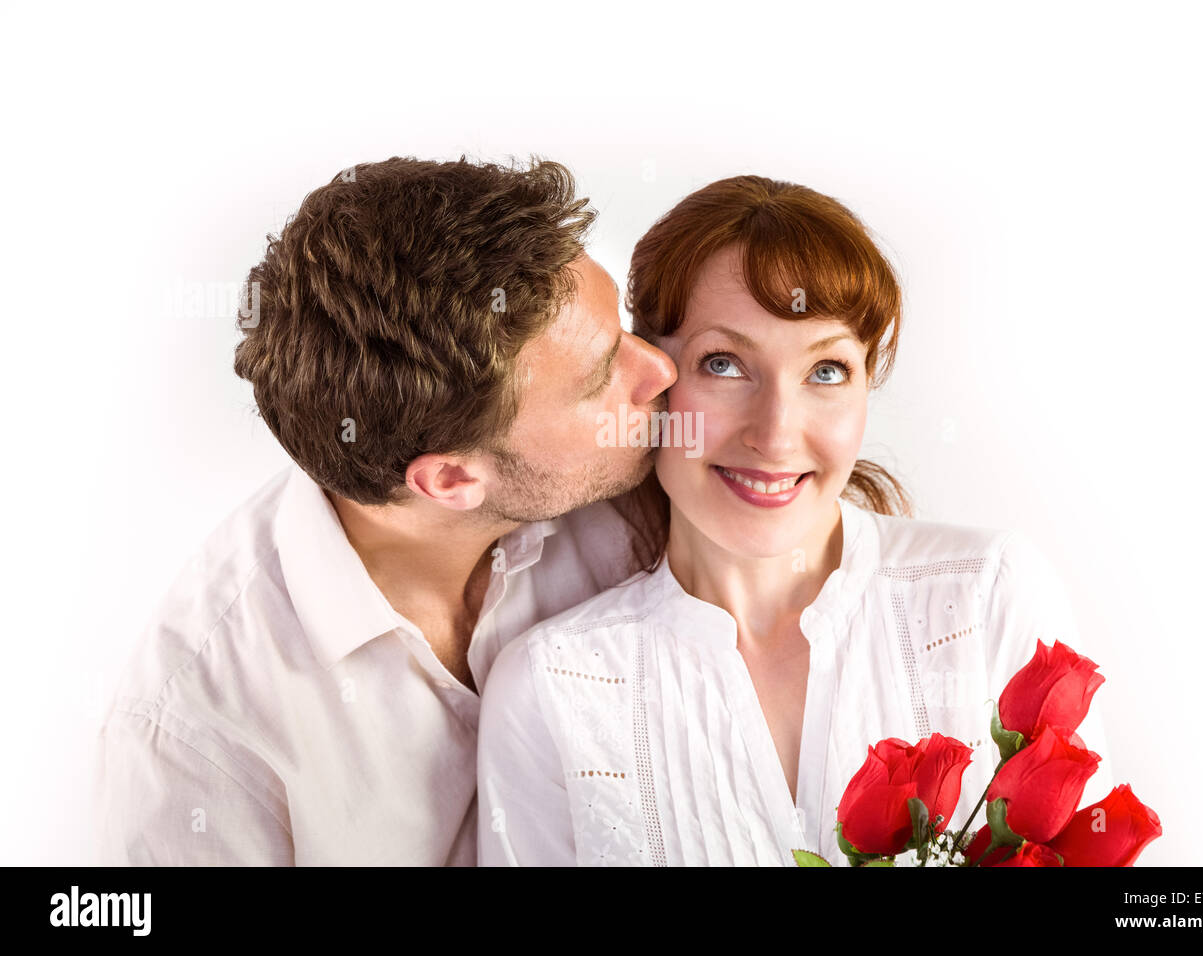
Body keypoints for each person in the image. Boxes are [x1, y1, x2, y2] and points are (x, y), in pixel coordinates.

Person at [476, 174, 1115, 866]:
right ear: (653, 377)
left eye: (827, 371)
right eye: (723, 364)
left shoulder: (987, 593)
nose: (776, 435)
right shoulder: (552, 688)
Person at [94, 156, 677, 865]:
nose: (659, 370)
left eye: (617, 326)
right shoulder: (197, 741)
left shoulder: (638, 493)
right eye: (599, 379)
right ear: (452, 479)